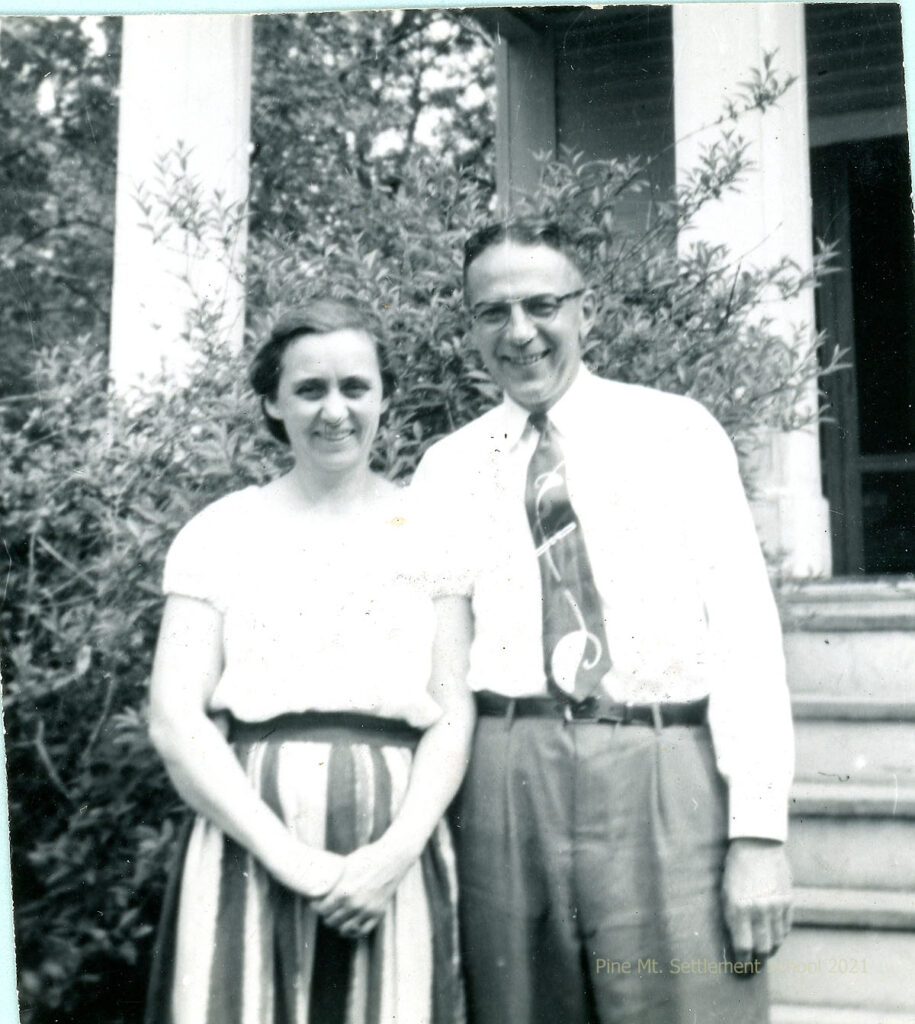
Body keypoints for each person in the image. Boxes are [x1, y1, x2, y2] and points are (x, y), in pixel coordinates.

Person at [411, 220, 794, 1024]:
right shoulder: (447, 468)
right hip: (507, 776)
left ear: (586, 311)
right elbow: (435, 661)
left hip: (661, 767)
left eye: (541, 304)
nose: (519, 332)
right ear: (470, 327)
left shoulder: (675, 431)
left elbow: (744, 634)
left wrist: (758, 834)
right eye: (492, 312)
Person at [145, 298, 474, 1024]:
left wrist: (393, 856)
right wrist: (290, 858)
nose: (334, 411)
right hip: (249, 840)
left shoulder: (432, 532)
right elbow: (174, 717)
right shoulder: (221, 532)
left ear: (384, 395)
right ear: (273, 401)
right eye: (309, 389)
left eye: (355, 387)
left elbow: (454, 716)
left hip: (392, 847)